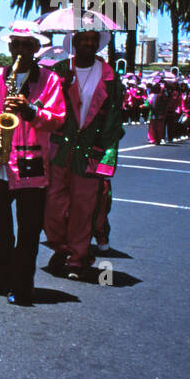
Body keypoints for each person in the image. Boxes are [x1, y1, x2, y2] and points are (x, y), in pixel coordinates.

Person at [0, 23, 66, 306]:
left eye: (26, 45)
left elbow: (57, 118)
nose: (20, 50)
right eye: (15, 44)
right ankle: (4, 273)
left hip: (32, 166)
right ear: (9, 47)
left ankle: (23, 283)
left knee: (29, 230)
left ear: (36, 49)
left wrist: (30, 111)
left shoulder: (50, 80)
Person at [44, 28, 124, 281]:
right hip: (60, 147)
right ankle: (62, 247)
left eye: (93, 40)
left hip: (92, 149)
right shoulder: (58, 71)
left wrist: (107, 153)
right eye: (83, 39)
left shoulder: (110, 77)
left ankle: (77, 257)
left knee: (84, 206)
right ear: (74, 42)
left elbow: (114, 119)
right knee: (52, 205)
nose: (88, 43)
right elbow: (46, 104)